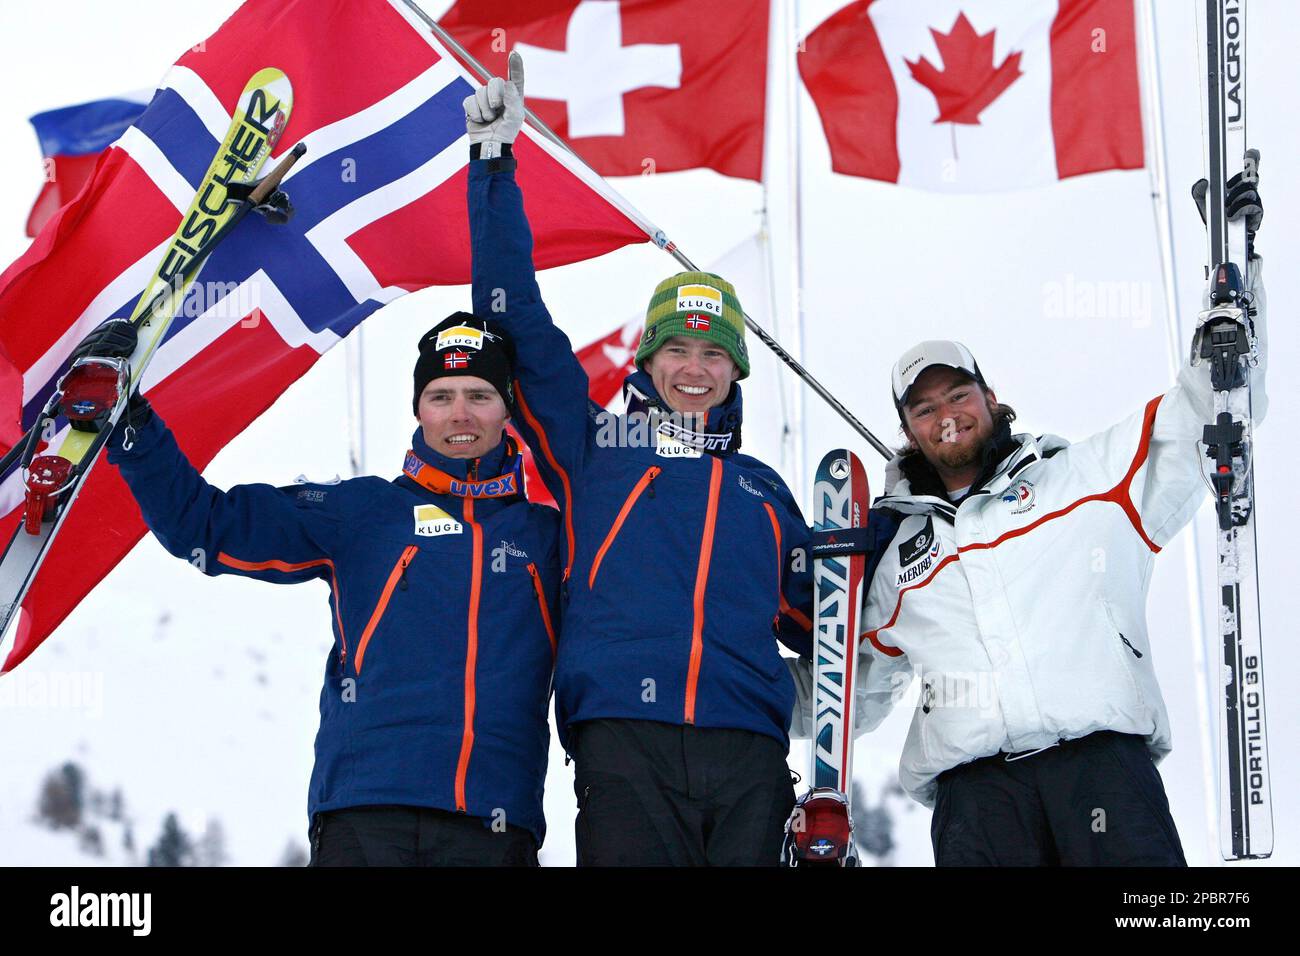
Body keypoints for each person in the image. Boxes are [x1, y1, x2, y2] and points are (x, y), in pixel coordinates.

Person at [843, 172, 1268, 866]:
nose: (946, 414)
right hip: (975, 801)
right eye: (924, 408)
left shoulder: (1086, 479)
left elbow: (1215, 409)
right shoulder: (897, 554)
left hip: (1101, 772)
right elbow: (848, 691)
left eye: (958, 393)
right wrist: (731, 698)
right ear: (907, 431)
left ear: (991, 396)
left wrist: (1236, 265)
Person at [463, 53, 814, 866]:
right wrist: (493, 169)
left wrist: (891, 533)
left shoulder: (766, 493)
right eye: (677, 350)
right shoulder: (593, 448)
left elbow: (832, 623)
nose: (694, 369)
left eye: (713, 354)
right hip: (622, 740)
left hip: (751, 754)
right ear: (646, 363)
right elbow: (513, 322)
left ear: (736, 372)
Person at [88, 312, 561, 866]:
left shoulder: (550, 536)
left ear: (508, 408)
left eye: (479, 395)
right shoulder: (361, 512)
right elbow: (206, 528)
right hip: (364, 816)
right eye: (440, 395)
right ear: (417, 408)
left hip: (496, 826)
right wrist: (131, 424)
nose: (460, 413)